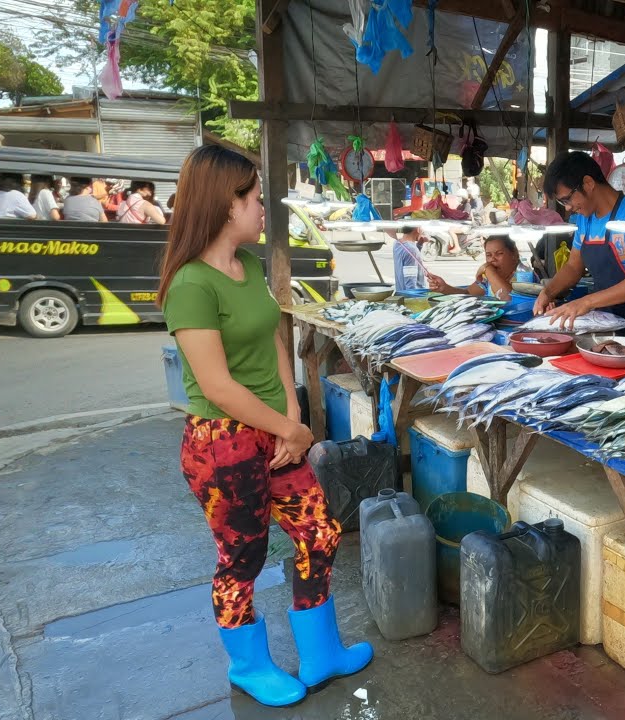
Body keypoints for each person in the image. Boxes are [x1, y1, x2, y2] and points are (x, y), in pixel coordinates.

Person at [159, 145, 372, 708]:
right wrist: (287, 427)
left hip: (277, 430)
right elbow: (217, 385)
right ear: (224, 204)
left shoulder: (249, 267)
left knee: (319, 533)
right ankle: (248, 666)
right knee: (243, 559)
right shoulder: (191, 285)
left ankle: (322, 653)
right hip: (223, 445)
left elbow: (275, 340)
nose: (261, 209)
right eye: (254, 198)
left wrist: (293, 417)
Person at [534, 151, 625, 336]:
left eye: (567, 199)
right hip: (606, 320)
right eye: (563, 203)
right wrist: (548, 292)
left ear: (588, 183)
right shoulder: (584, 219)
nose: (568, 208)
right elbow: (573, 267)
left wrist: (586, 302)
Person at [428, 235, 519, 300]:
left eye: (499, 254)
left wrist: (487, 269)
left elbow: (508, 299)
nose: (492, 259)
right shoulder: (488, 278)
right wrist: (444, 288)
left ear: (514, 254)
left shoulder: (523, 275)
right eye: (488, 255)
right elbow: (468, 294)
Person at [391, 225, 425, 292]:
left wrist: (419, 245)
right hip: (415, 294)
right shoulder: (411, 250)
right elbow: (410, 281)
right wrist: (412, 296)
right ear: (418, 228)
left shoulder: (397, 243)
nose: (423, 231)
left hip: (401, 291)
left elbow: (412, 257)